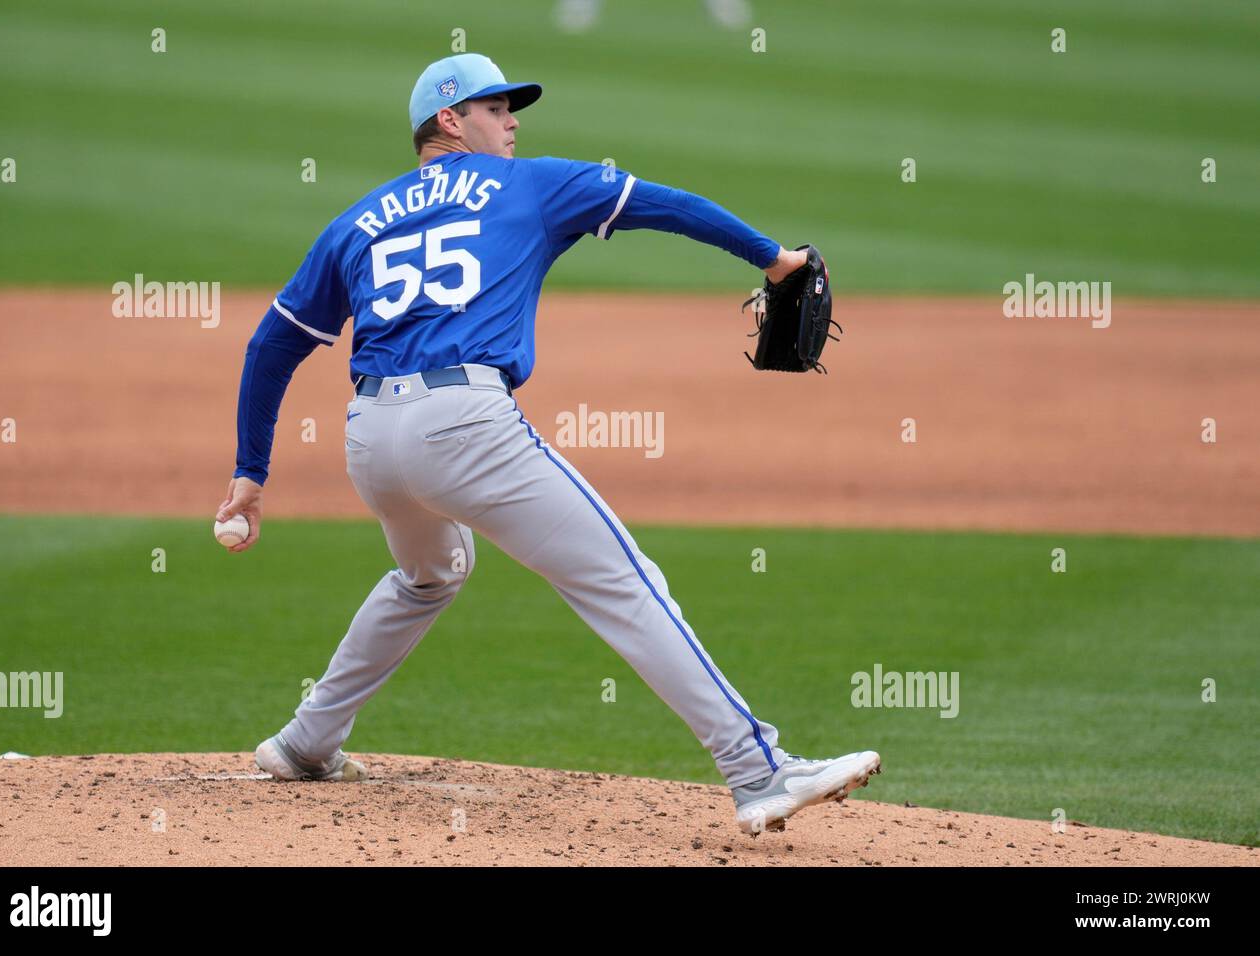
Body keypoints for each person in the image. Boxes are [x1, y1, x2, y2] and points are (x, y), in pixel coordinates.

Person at [217, 52, 879, 835]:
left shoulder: (358, 219)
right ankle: (758, 770)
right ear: (450, 120)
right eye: (498, 109)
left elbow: (271, 346)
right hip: (464, 425)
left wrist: (251, 473)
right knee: (625, 583)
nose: (514, 122)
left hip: (371, 440)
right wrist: (775, 258)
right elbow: (665, 204)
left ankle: (306, 741)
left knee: (429, 574)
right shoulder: (530, 184)